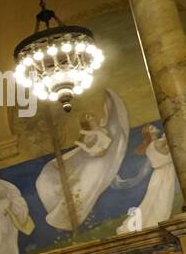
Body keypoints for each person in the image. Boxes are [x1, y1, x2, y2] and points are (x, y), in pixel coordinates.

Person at [36, 90, 129, 230]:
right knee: (74, 187)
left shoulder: (102, 130)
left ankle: (67, 218)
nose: (89, 117)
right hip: (89, 163)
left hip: (98, 163)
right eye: (87, 116)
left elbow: (104, 146)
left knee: (85, 184)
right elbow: (82, 151)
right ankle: (65, 218)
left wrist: (94, 152)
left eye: (90, 115)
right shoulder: (86, 136)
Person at [119, 123, 177, 232]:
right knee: (161, 201)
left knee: (154, 202)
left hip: (160, 176)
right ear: (149, 133)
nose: (154, 127)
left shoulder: (151, 146)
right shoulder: (158, 143)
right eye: (151, 128)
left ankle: (154, 224)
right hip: (163, 176)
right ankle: (155, 225)